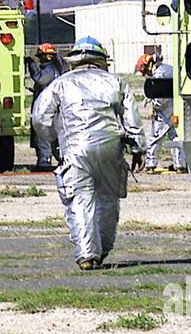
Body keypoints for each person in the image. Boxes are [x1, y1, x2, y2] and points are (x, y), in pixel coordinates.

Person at [31, 37, 144, 269]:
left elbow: (40, 118)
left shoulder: (60, 84)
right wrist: (138, 148)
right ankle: (102, 249)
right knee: (108, 198)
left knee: (79, 198)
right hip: (112, 147)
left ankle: (87, 255)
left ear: (74, 59)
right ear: (101, 59)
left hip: (75, 148)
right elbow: (132, 118)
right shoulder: (116, 81)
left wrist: (55, 139)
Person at [137, 51, 185, 172]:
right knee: (176, 137)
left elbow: (160, 98)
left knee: (155, 137)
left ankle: (150, 164)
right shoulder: (169, 69)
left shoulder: (159, 74)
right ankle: (180, 165)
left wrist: (153, 105)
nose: (146, 73)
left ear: (148, 65)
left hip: (164, 112)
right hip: (176, 108)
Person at [29, 42, 65, 169]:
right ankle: (62, 159)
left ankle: (44, 162)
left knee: (42, 135)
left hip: (47, 109)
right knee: (57, 136)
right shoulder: (59, 69)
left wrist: (31, 65)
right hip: (57, 108)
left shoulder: (49, 70)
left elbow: (40, 79)